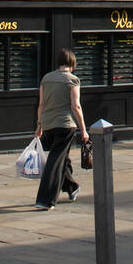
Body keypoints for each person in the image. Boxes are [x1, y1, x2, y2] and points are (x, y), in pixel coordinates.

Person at [34, 48, 91, 211]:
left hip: (48, 124)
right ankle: (46, 199)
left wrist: (39, 125)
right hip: (65, 125)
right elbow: (76, 106)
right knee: (55, 161)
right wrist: (84, 129)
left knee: (61, 158)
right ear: (72, 63)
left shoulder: (46, 78)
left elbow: (41, 104)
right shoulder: (72, 80)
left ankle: (72, 188)